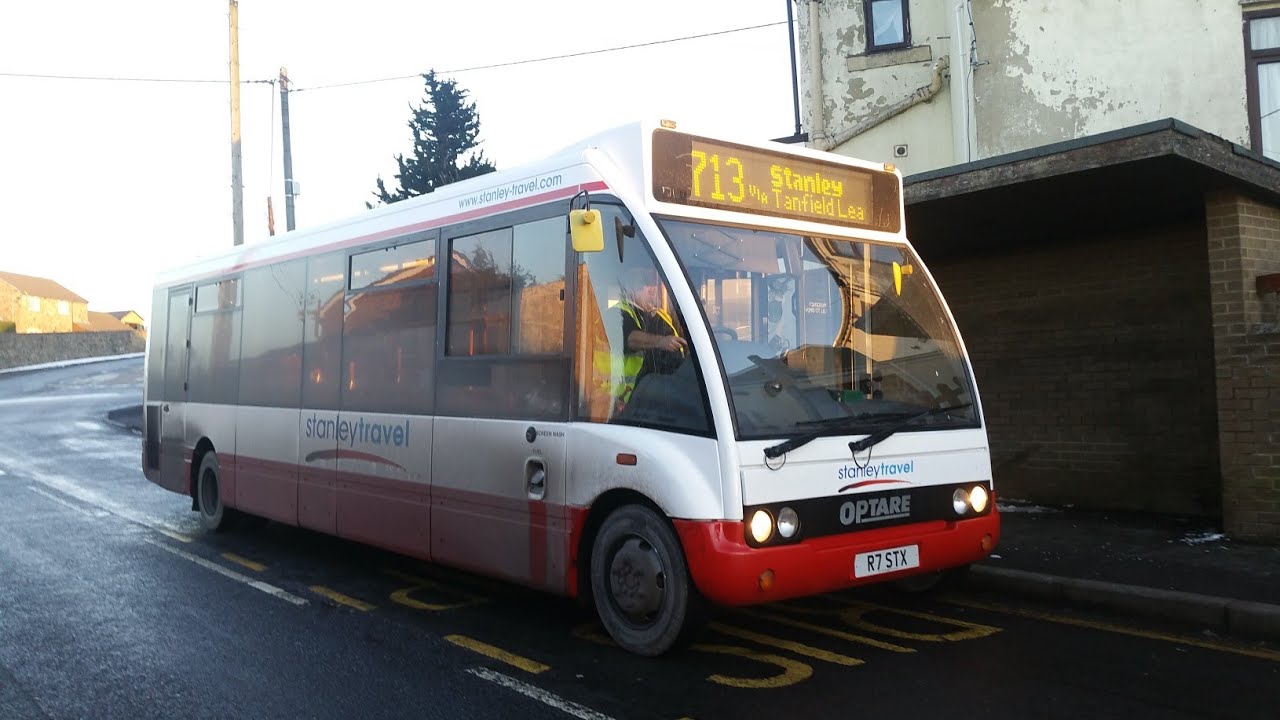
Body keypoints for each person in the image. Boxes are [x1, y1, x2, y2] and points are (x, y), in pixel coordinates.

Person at [611, 265, 688, 413]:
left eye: (654, 284)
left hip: (665, 392)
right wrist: (660, 342)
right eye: (645, 284)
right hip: (627, 399)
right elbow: (630, 338)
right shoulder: (620, 312)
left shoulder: (661, 316)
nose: (653, 290)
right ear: (631, 289)